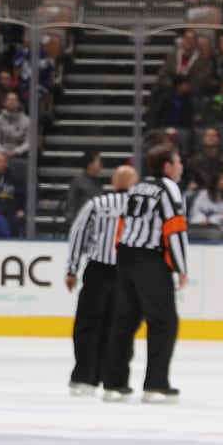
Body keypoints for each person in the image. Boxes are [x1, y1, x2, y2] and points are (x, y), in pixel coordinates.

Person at [104, 144, 188, 403]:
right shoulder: (169, 188)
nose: (181, 166)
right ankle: (156, 384)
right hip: (149, 259)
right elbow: (174, 228)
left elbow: (121, 224)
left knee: (125, 322)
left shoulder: (138, 187)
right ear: (167, 166)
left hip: (127, 256)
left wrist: (121, 254)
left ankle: (114, 383)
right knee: (164, 322)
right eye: (177, 161)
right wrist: (180, 266)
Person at [64, 165, 138, 396]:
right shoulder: (144, 208)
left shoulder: (97, 204)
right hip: (126, 272)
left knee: (88, 325)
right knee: (118, 327)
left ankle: (84, 377)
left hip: (98, 269)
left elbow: (78, 234)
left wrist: (72, 268)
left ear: (114, 182)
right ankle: (111, 378)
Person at [65, 150, 104, 226]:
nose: (101, 164)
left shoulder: (99, 183)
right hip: (80, 224)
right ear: (90, 164)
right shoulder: (77, 182)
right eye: (98, 161)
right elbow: (70, 206)